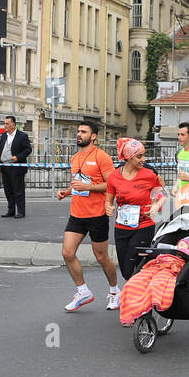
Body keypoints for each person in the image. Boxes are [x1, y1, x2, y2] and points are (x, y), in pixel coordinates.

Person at [57, 120, 118, 312]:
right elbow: (77, 182)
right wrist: (66, 192)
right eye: (78, 131)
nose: (79, 134)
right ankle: (83, 291)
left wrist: (88, 187)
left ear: (93, 136)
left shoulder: (102, 157)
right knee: (67, 253)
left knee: (101, 257)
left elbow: (112, 185)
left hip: (97, 214)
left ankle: (115, 292)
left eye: (83, 131)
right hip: (77, 213)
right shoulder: (75, 157)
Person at [104, 138, 162, 294]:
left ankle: (137, 298)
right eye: (139, 156)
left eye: (144, 155)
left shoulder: (149, 175)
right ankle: (141, 292)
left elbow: (162, 195)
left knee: (132, 265)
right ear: (128, 157)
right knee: (124, 268)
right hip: (121, 227)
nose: (143, 160)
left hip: (144, 226)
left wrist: (156, 205)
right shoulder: (114, 176)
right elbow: (108, 200)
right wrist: (108, 208)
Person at [0, 115, 32, 218]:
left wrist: (18, 157)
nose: (5, 126)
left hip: (17, 167)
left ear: (13, 124)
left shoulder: (22, 136)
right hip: (5, 166)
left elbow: (28, 149)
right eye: (4, 123)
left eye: (7, 123)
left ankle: (20, 211)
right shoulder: (3, 136)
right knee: (8, 190)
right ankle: (11, 211)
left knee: (18, 190)